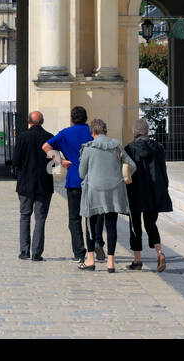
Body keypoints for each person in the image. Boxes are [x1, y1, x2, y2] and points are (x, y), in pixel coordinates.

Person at [77, 118, 135, 272]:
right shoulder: (116, 147)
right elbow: (131, 165)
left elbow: (82, 174)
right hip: (114, 191)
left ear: (93, 132)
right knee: (111, 225)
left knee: (90, 224)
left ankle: (90, 260)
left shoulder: (88, 148)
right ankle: (111, 262)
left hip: (94, 191)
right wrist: (122, 176)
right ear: (105, 131)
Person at [42, 106, 93, 264]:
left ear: (71, 119)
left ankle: (79, 252)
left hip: (73, 179)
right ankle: (95, 245)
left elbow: (46, 146)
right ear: (86, 118)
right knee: (92, 217)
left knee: (74, 218)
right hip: (92, 179)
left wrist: (61, 161)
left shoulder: (65, 133)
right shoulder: (93, 132)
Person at [124, 118, 172, 271]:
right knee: (151, 224)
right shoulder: (158, 148)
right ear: (147, 132)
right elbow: (163, 171)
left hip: (135, 191)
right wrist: (164, 188)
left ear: (134, 132)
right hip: (154, 191)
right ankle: (159, 252)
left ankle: (137, 260)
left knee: (135, 225)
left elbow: (126, 171)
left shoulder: (129, 148)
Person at [13, 110, 53, 261]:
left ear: (29, 122)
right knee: (40, 218)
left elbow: (16, 160)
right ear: (42, 122)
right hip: (44, 183)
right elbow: (54, 161)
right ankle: (37, 252)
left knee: (25, 216)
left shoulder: (22, 137)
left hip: (25, 183)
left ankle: (24, 251)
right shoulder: (50, 137)